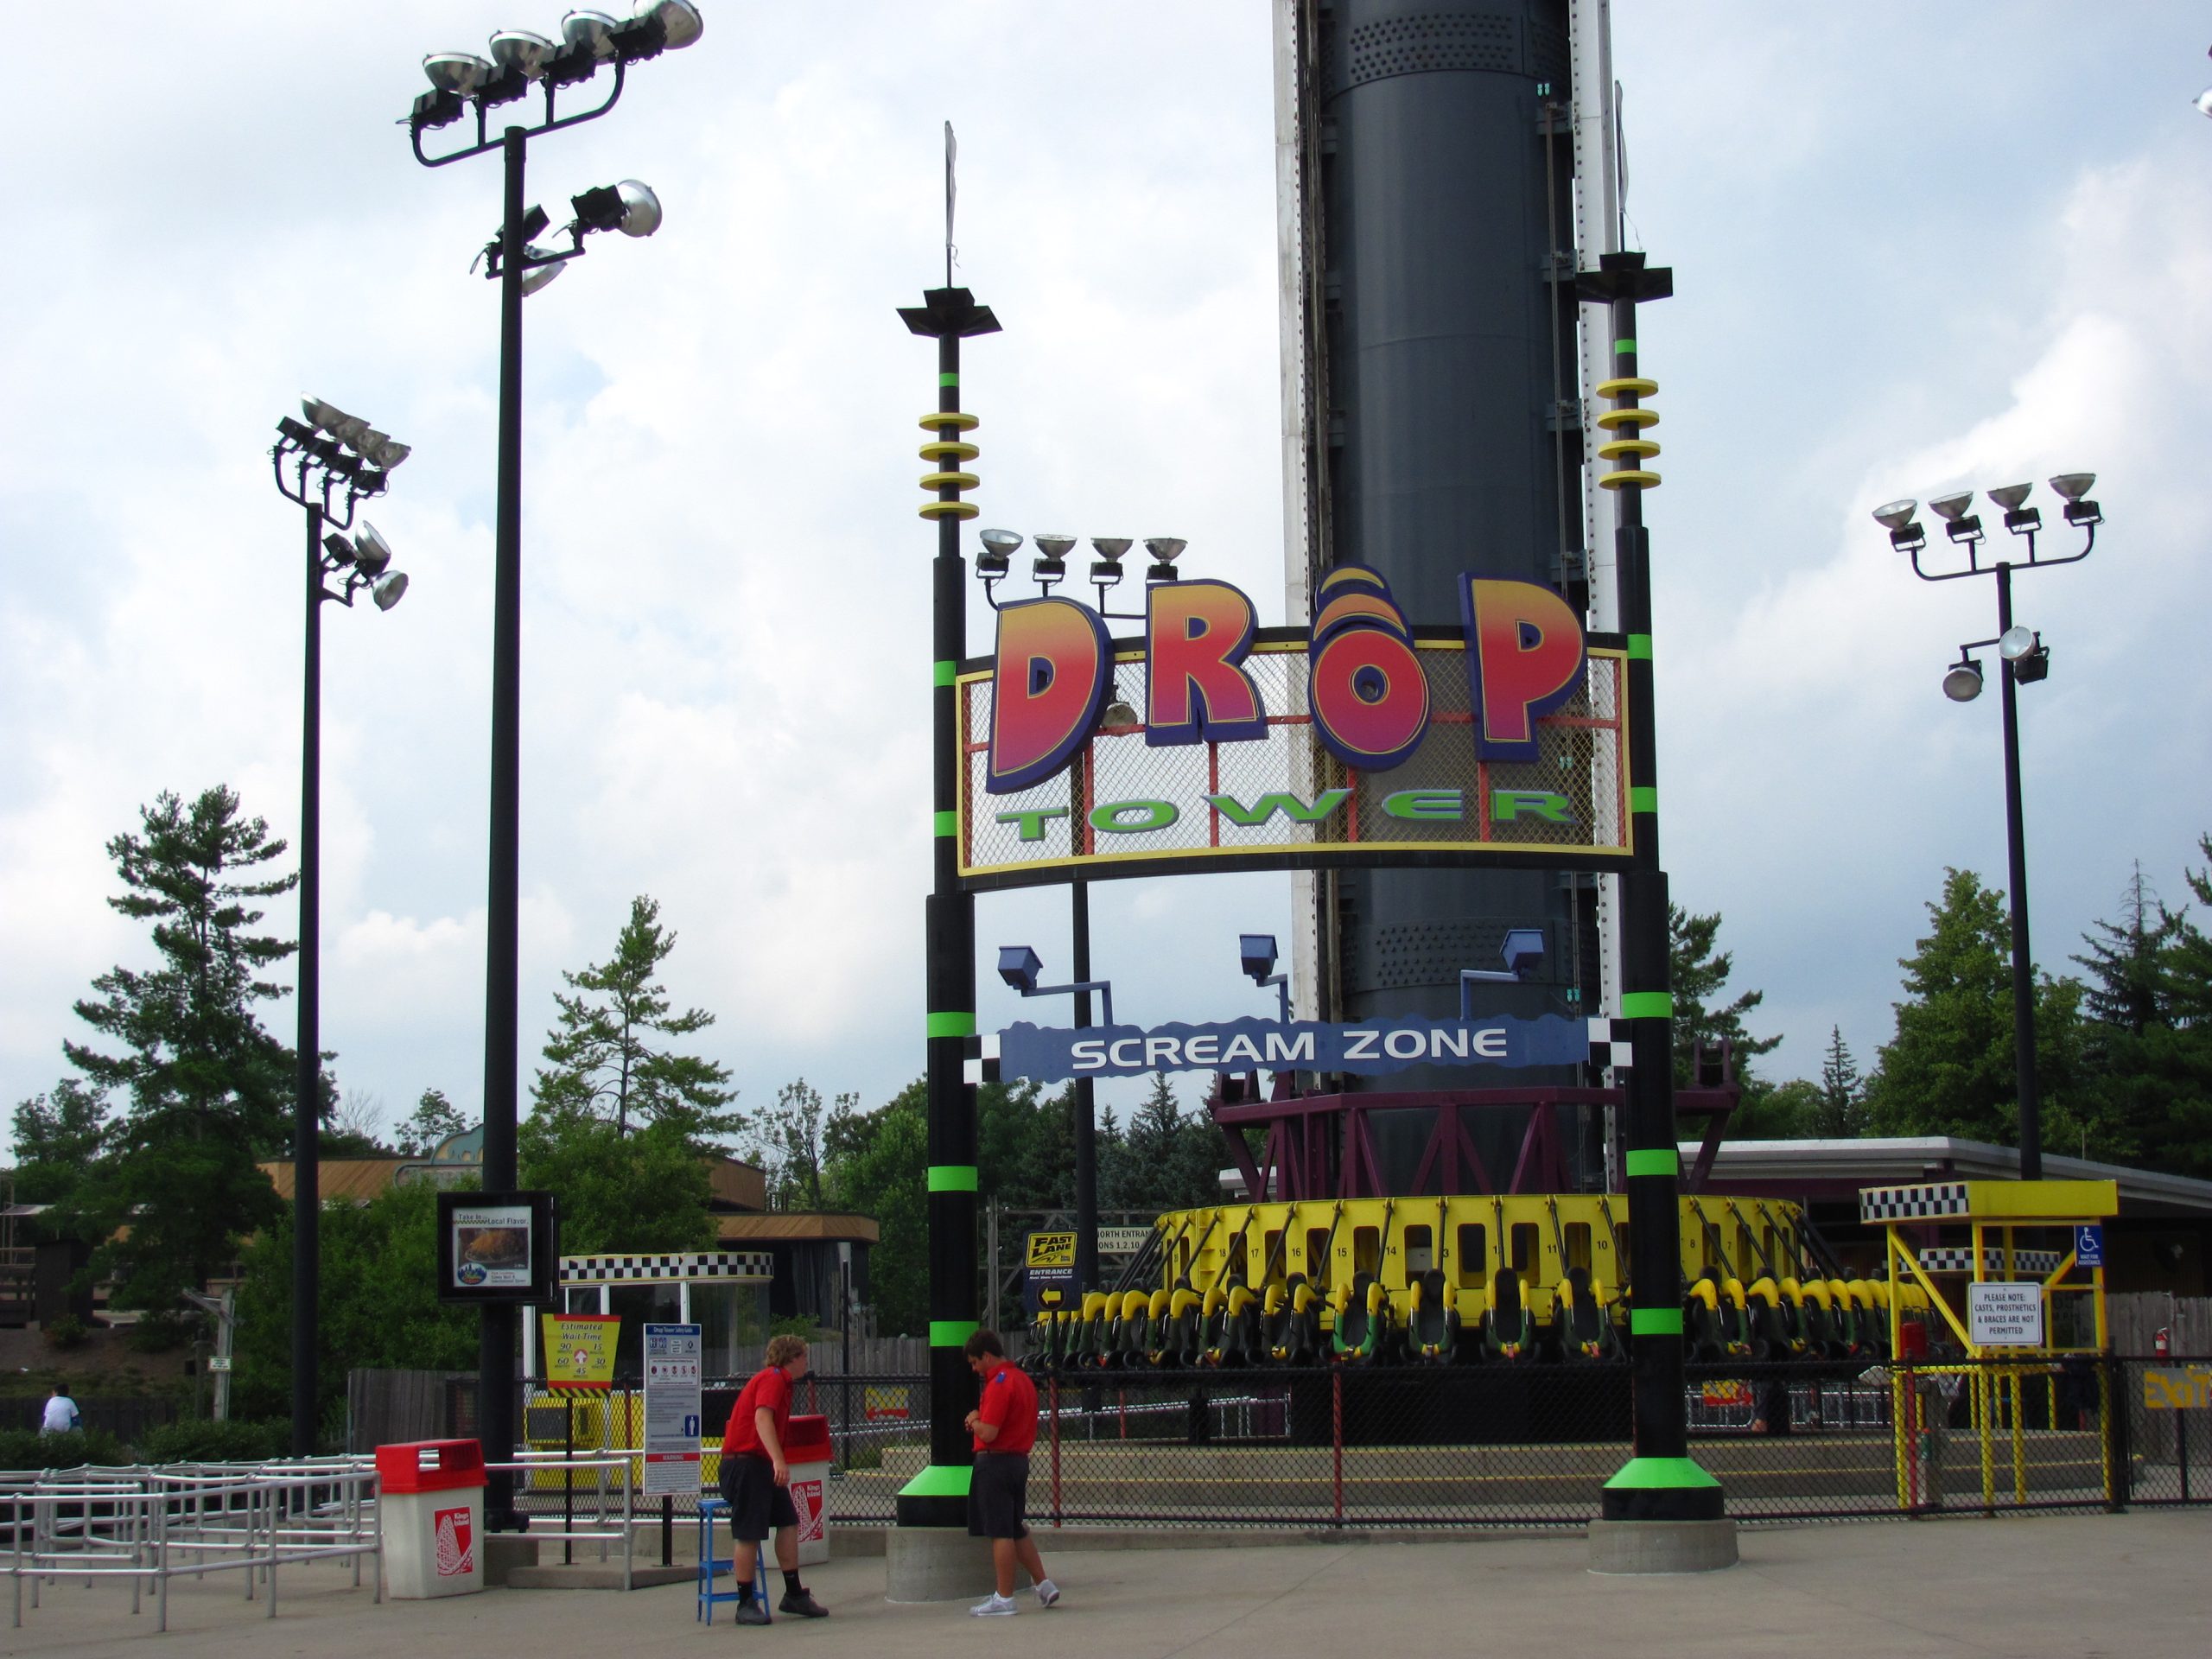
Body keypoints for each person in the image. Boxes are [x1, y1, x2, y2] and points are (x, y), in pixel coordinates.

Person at [718, 1334, 828, 1624]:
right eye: (803, 1356)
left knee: (788, 1520)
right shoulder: (773, 1378)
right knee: (750, 1531)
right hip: (745, 1464)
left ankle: (793, 1592)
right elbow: (762, 1418)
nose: (806, 1362)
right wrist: (779, 1459)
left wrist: (775, 1460)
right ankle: (745, 1602)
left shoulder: (783, 1383)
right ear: (791, 1358)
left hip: (761, 1463)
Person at [963, 1329, 1058, 1617]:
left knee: (999, 1531)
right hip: (1018, 1460)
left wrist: (974, 1420)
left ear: (987, 1356)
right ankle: (1043, 1583)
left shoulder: (999, 1384)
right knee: (1016, 1527)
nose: (975, 1369)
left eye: (975, 1362)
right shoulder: (1022, 1379)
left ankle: (1004, 1597)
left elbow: (990, 1432)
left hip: (995, 1462)